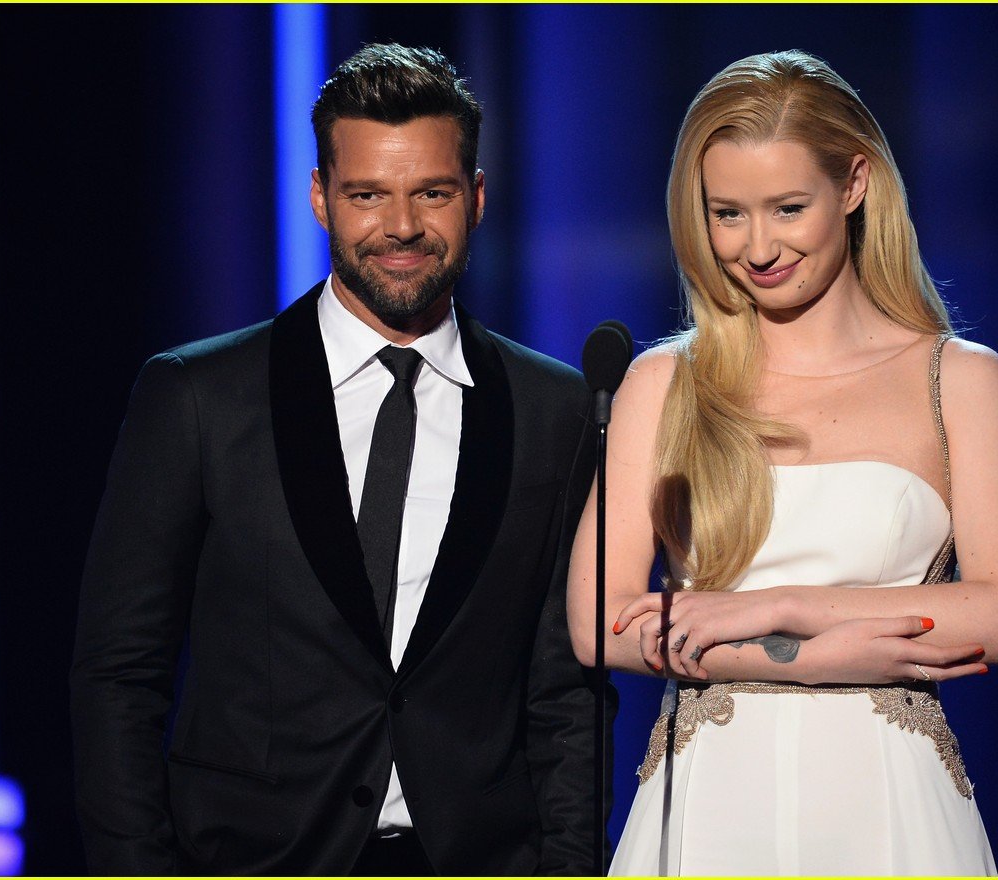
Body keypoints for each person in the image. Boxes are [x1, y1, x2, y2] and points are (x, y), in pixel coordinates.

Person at [71, 43, 606, 876]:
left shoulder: (556, 411)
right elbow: (117, 674)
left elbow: (566, 693)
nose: (400, 226)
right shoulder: (197, 397)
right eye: (367, 194)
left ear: (476, 197)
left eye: (431, 193)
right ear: (321, 197)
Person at [568, 50, 998, 876]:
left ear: (854, 185)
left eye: (788, 208)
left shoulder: (960, 379)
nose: (757, 247)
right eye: (728, 214)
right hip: (706, 807)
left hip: (892, 810)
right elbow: (596, 623)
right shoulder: (663, 382)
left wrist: (767, 608)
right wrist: (814, 657)